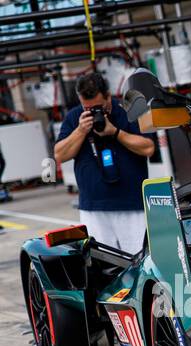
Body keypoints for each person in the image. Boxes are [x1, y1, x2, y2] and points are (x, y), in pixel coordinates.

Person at [53, 71, 157, 253]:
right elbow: (59, 155)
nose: (94, 112)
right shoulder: (75, 117)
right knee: (101, 263)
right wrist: (80, 131)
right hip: (93, 208)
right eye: (87, 108)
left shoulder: (130, 109)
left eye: (99, 107)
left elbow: (148, 148)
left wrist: (115, 132)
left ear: (109, 96)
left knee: (140, 258)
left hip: (131, 205)